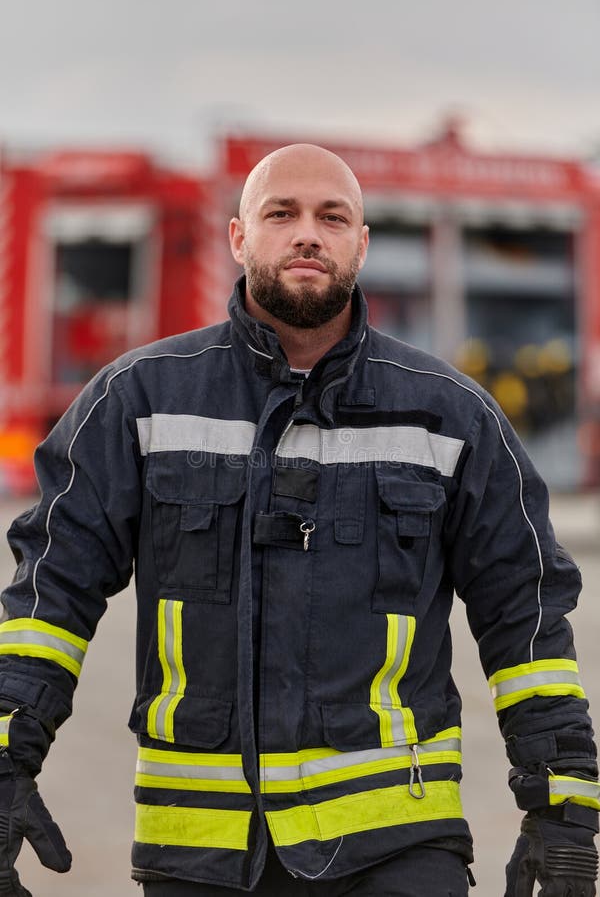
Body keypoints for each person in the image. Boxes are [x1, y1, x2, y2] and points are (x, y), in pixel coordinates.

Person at [0, 143, 597, 897]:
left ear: (362, 243)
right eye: (281, 213)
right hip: (203, 857)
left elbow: (528, 618)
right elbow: (48, 597)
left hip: (398, 850)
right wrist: (5, 761)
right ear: (239, 237)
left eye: (332, 216)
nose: (307, 233)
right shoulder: (138, 402)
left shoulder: (452, 418)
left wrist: (563, 805)